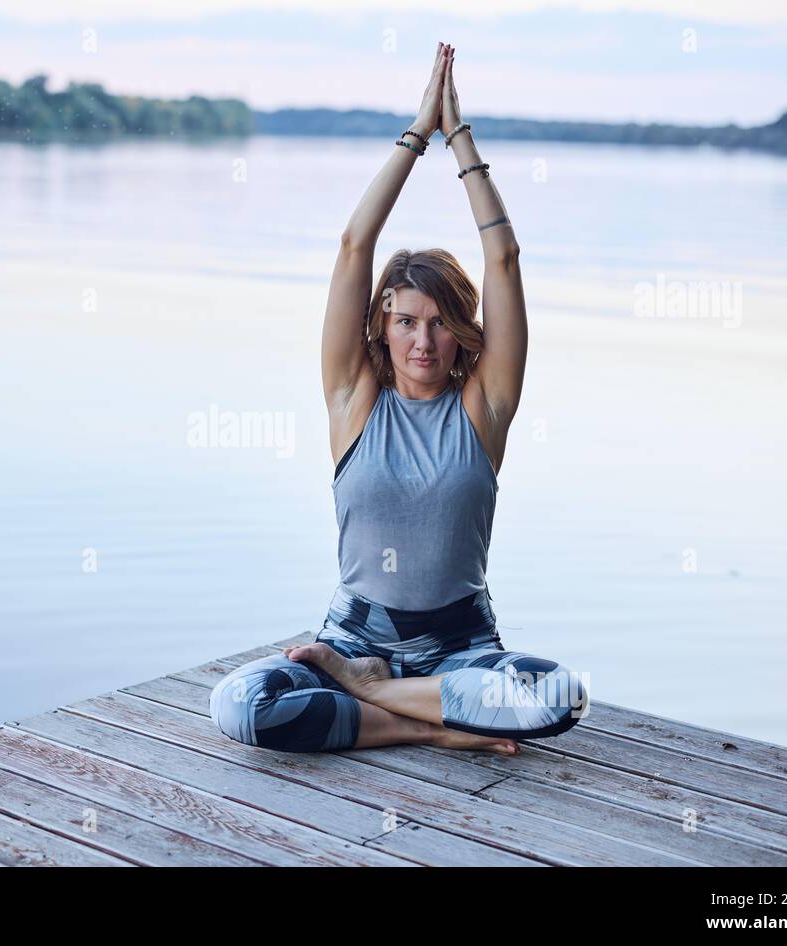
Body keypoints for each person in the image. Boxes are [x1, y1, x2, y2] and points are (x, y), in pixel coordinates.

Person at [209, 42, 589, 757]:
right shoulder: (353, 399)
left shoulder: (485, 408)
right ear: (382, 326)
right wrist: (417, 135)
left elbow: (503, 257)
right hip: (354, 633)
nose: (423, 339)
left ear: (462, 332)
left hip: (460, 645)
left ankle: (374, 695)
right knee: (240, 705)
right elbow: (356, 245)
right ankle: (440, 728)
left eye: (441, 322)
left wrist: (461, 139)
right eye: (407, 320)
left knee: (560, 695)